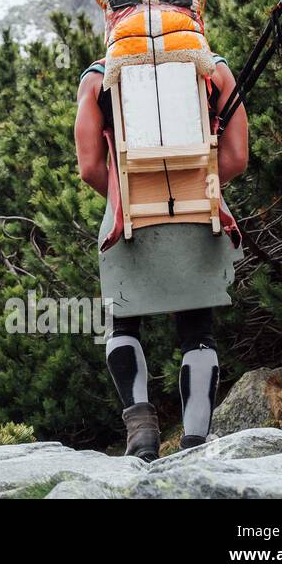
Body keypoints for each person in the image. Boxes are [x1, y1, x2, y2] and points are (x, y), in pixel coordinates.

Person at [74, 57, 248, 460]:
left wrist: (127, 202)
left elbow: (88, 167)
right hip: (199, 216)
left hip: (128, 221)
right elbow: (237, 156)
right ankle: (194, 443)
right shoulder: (212, 69)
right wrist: (196, 190)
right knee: (198, 332)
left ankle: (141, 434)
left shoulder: (98, 77)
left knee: (122, 324)